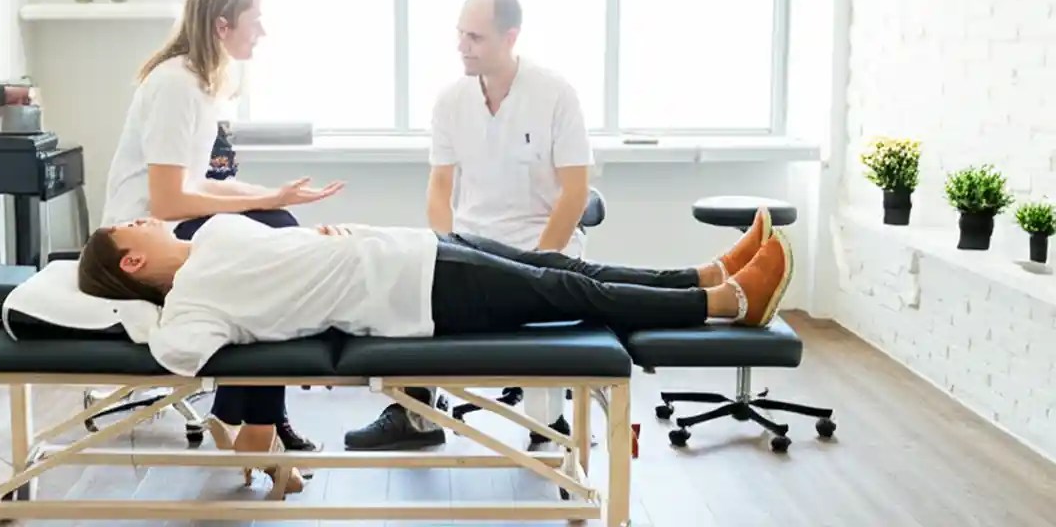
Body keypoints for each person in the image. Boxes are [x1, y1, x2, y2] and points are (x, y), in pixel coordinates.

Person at [76, 206, 789, 493]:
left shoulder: (209, 240)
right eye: (131, 229)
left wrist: (323, 235)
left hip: (413, 246)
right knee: (568, 296)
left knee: (565, 268)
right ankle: (727, 303)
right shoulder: (192, 308)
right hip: (417, 290)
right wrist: (117, 310)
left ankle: (705, 274)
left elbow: (285, 248)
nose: (143, 218)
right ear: (133, 265)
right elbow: (171, 356)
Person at [100, 0, 345, 454]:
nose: (263, 32)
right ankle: (254, 420)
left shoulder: (199, 82)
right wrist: (266, 204)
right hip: (147, 232)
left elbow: (200, 181)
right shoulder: (174, 85)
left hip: (171, 221)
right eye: (255, 20)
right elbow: (169, 200)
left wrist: (275, 194)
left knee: (275, 233)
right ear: (221, 26)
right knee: (271, 247)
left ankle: (246, 417)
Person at [347, 0, 595, 450]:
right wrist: (443, 244)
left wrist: (541, 263)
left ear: (510, 37)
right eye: (460, 34)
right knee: (411, 287)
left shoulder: (555, 93)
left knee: (539, 312)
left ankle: (549, 428)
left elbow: (576, 190)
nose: (462, 46)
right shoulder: (450, 101)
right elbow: (440, 185)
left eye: (475, 38)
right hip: (472, 240)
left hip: (541, 241)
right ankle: (417, 415)